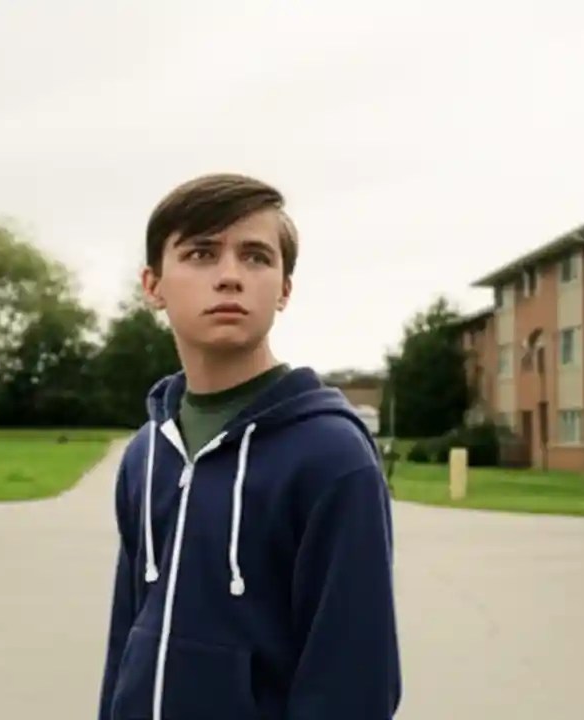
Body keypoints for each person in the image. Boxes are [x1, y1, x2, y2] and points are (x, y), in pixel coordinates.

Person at [97, 173, 401, 719]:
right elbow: (126, 638)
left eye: (257, 257)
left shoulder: (332, 457)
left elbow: (354, 681)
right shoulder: (147, 453)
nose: (230, 276)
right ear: (153, 284)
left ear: (284, 289)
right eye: (201, 253)